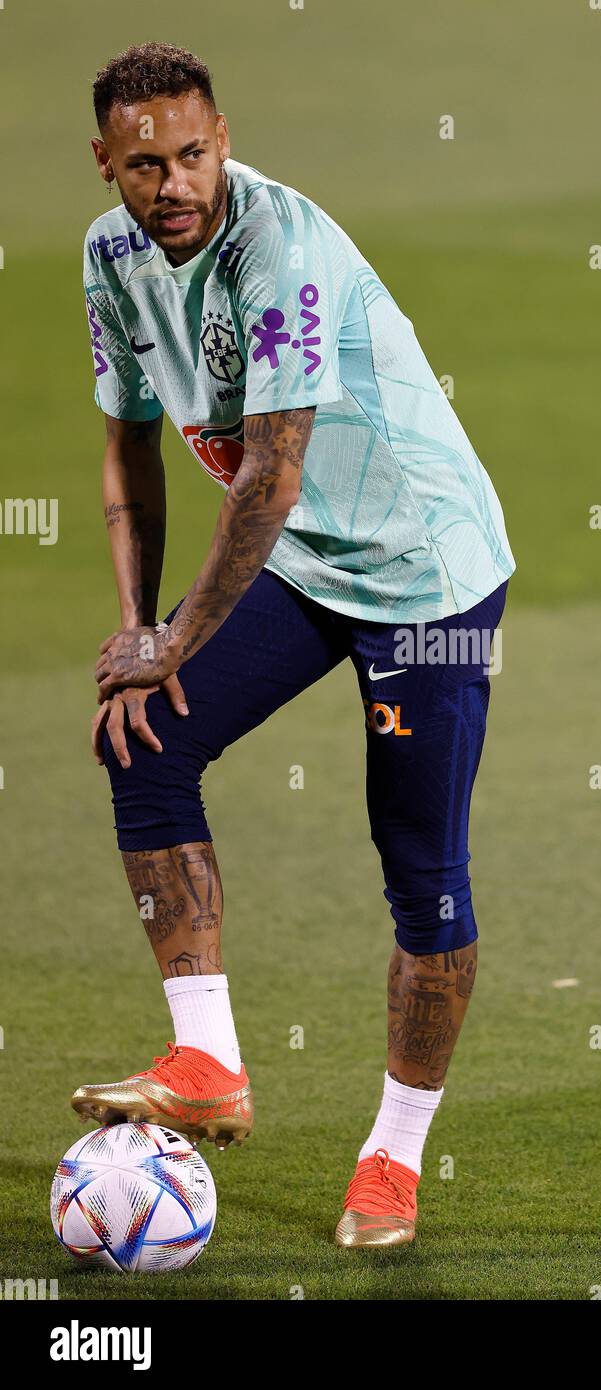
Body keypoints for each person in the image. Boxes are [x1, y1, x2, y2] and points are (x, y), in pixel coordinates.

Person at [72, 42, 515, 1247]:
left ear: (225, 138)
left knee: (421, 873)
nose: (175, 184)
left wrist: (172, 638)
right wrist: (138, 634)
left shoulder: (280, 249)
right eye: (145, 163)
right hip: (298, 561)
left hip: (422, 574)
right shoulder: (111, 260)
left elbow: (267, 475)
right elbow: (127, 453)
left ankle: (394, 1154)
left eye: (195, 155)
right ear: (106, 163)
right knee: (142, 739)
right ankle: (207, 1057)